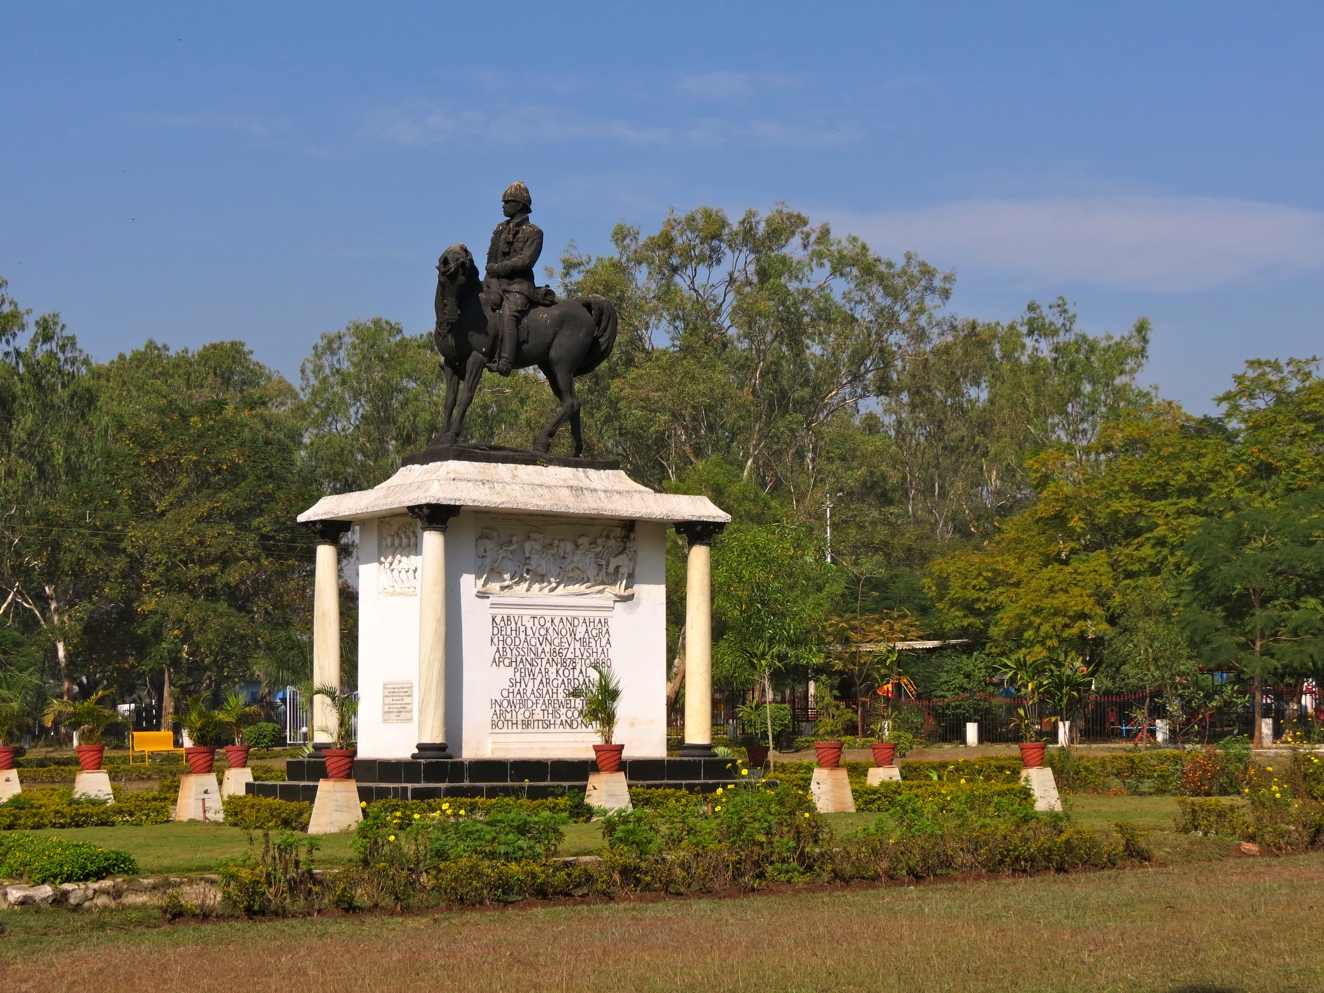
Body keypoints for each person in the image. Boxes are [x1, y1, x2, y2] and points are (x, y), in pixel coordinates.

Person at [483, 180, 543, 376]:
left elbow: (526, 260)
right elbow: (491, 258)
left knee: (509, 314)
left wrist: (500, 268)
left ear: (518, 205)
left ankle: (506, 361)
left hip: (519, 286)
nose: (503, 206)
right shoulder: (499, 230)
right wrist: (488, 279)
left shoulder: (534, 232)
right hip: (494, 283)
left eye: (507, 202)